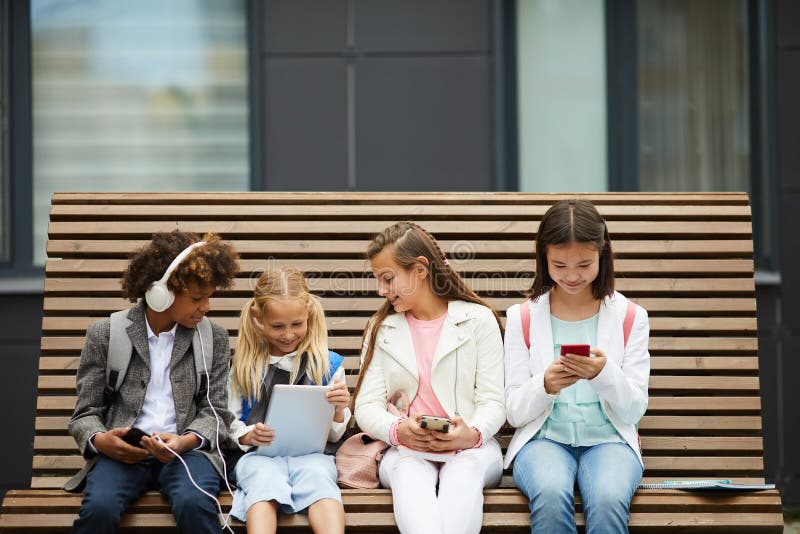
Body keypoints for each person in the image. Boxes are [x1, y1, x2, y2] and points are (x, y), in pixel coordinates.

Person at [66, 231, 240, 534]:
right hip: (123, 453)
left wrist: (185, 441)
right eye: (197, 299)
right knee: (100, 508)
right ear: (162, 293)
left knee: (194, 502)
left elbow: (216, 413)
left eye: (209, 297)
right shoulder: (106, 334)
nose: (206, 307)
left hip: (187, 454)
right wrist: (101, 440)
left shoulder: (213, 339)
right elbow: (85, 413)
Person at [504, 198, 651, 534]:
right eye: (559, 265)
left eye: (584, 264)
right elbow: (514, 412)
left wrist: (603, 374)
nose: (571, 276)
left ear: (603, 254)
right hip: (543, 441)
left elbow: (633, 410)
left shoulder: (630, 317)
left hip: (610, 441)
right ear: (543, 258)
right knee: (550, 493)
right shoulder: (522, 317)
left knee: (609, 497)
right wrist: (545, 385)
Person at [352, 221, 506, 534]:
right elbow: (366, 406)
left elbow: (493, 400)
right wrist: (398, 431)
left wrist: (471, 434)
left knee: (463, 474)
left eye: (388, 279)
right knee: (408, 476)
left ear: (421, 269)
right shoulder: (382, 329)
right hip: (406, 450)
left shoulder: (478, 321)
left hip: (472, 449)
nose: (381, 291)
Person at [226, 268, 350, 534]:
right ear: (258, 317)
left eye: (296, 324)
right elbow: (229, 420)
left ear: (308, 315)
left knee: (320, 479)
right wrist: (248, 435)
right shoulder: (244, 366)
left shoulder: (327, 366)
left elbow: (332, 435)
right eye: (277, 326)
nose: (288, 334)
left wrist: (339, 410)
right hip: (258, 456)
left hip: (312, 456)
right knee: (263, 480)